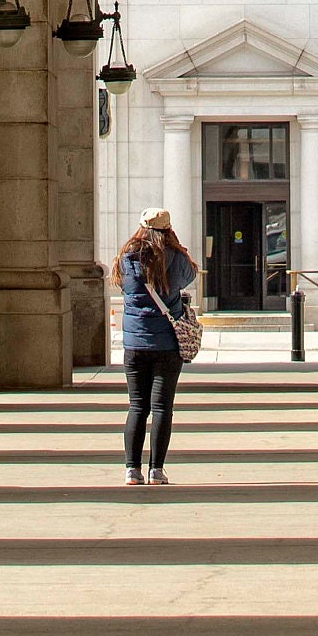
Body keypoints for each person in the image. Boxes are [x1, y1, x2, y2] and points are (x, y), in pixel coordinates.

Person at [116, 208, 196, 486]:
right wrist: (176, 244)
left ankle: (131, 470)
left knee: (137, 406)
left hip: (135, 344)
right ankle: (156, 470)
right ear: (167, 229)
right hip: (166, 343)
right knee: (162, 408)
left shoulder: (127, 259)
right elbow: (190, 273)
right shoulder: (174, 259)